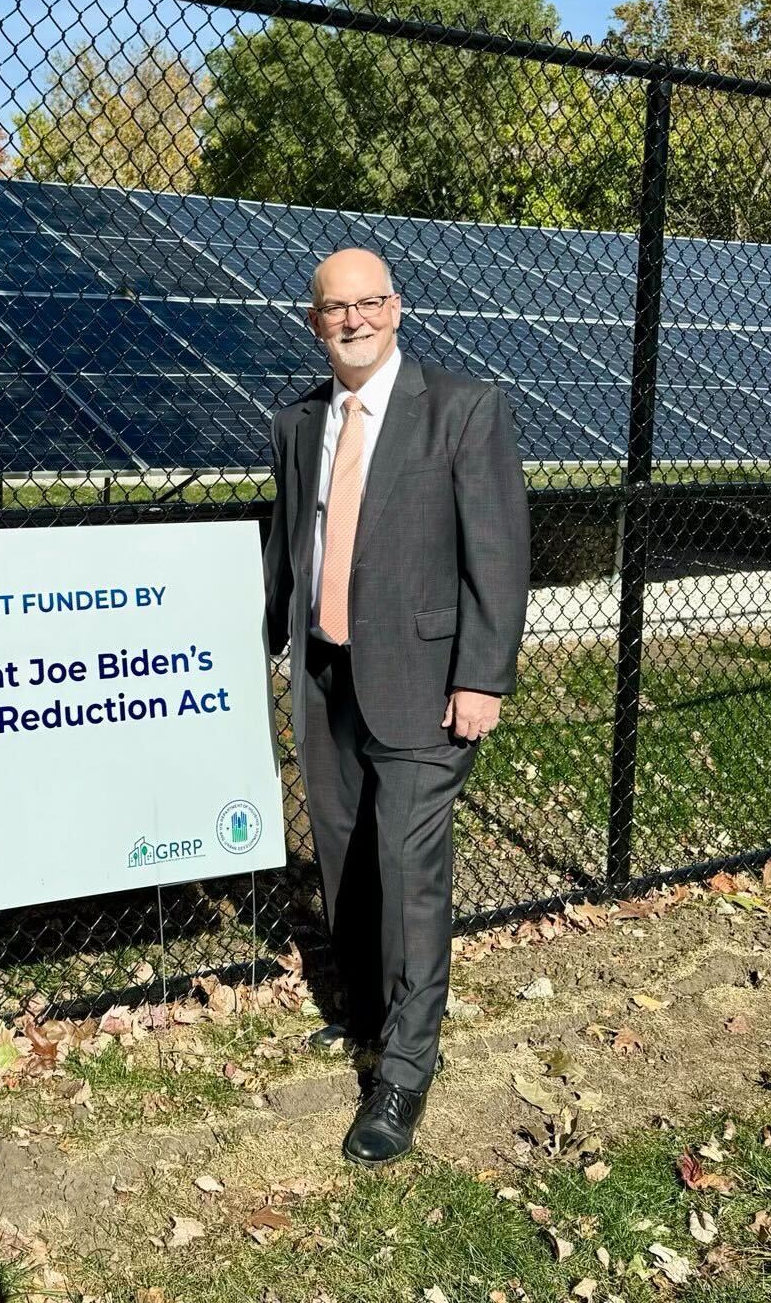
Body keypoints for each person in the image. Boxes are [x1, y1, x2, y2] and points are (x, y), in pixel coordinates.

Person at [262, 248, 529, 1165]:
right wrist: (263, 640)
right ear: (314, 321)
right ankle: (372, 1020)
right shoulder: (301, 423)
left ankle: (406, 1073)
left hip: (425, 684)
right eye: (333, 308)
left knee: (411, 873)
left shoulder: (460, 410)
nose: (352, 320)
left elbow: (495, 552)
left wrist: (482, 677)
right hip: (327, 675)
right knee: (348, 857)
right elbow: (289, 541)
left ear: (397, 307)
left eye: (367, 302)